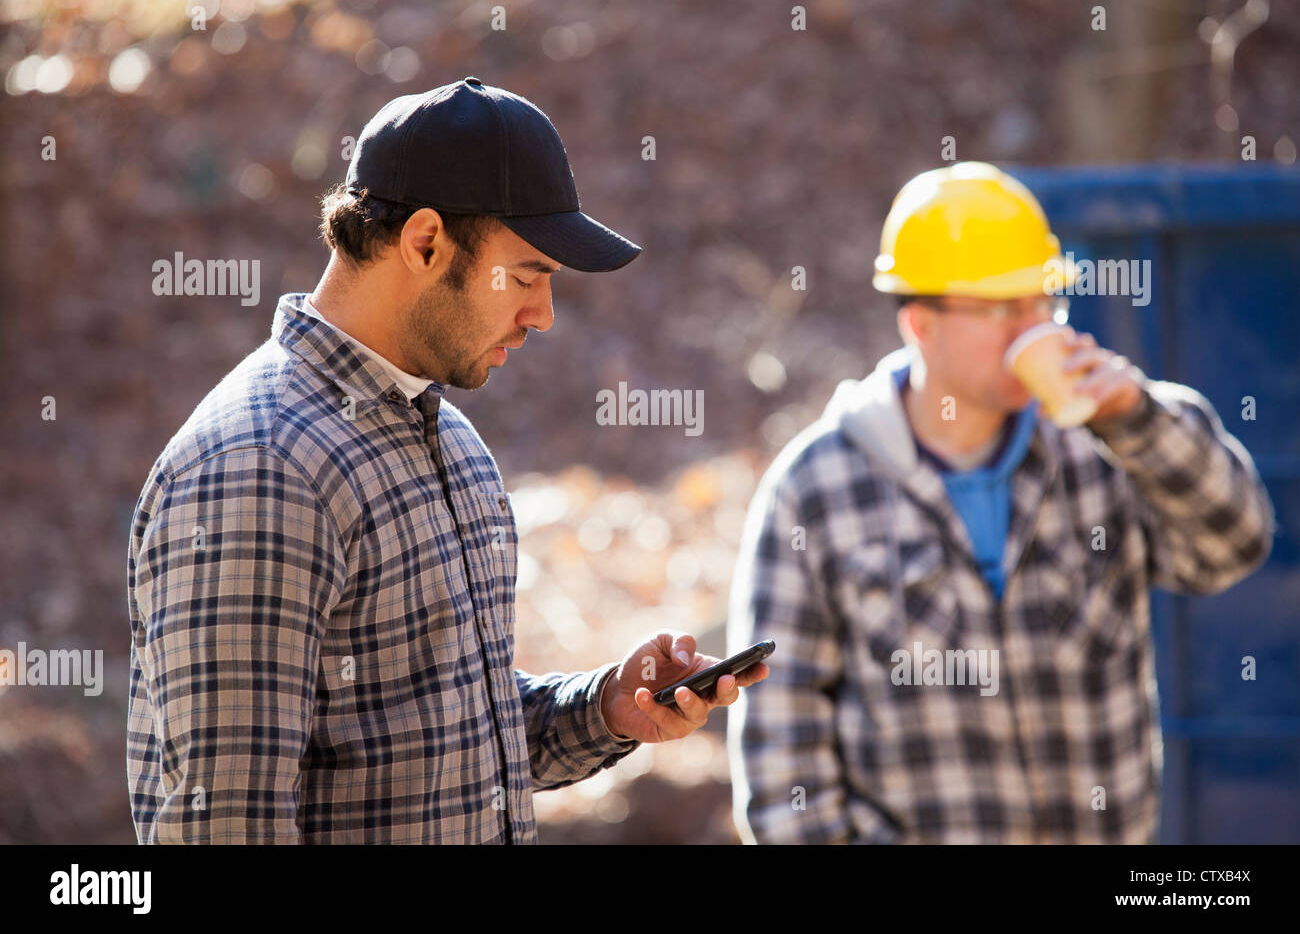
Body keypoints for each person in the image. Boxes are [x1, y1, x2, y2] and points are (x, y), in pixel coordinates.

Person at [126, 78, 767, 844]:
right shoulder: (260, 470)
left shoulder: (452, 443)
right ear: (426, 241)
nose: (543, 315)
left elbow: (455, 734)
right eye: (528, 275)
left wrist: (605, 709)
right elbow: (225, 827)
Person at [727, 162, 1274, 843]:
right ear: (921, 324)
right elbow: (781, 762)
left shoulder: (1102, 449)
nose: (1032, 328)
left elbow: (1234, 543)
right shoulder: (813, 491)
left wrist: (1135, 415)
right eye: (1002, 309)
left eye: (1042, 304)